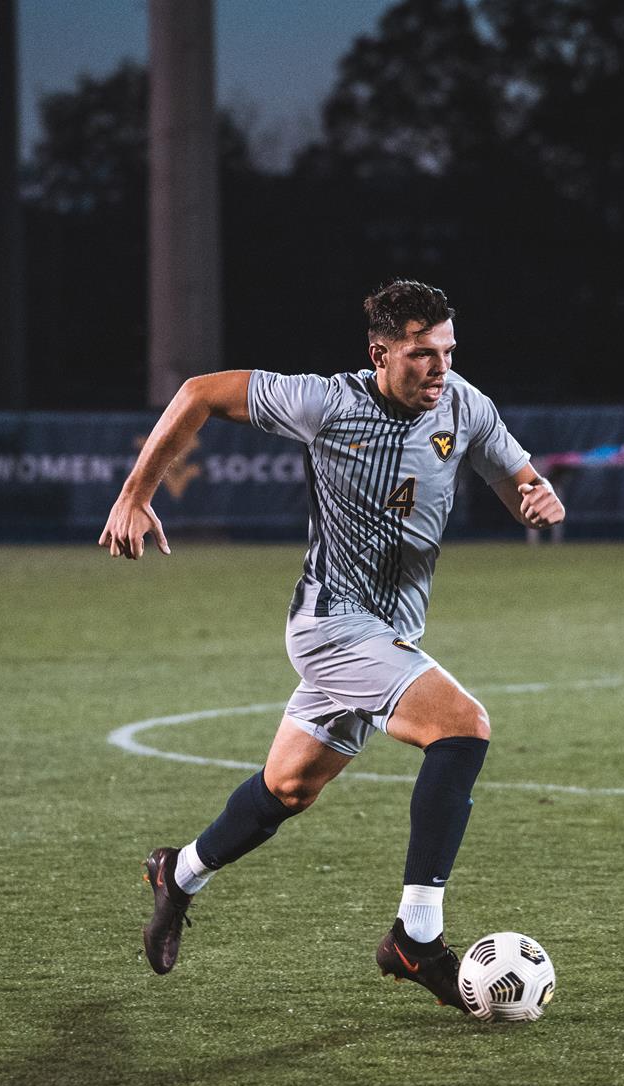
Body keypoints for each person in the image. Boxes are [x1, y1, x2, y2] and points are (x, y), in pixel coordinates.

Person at [99, 279, 565, 1012]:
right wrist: (135, 493)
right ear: (378, 353)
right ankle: (416, 936)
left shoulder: (464, 404)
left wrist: (538, 498)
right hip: (331, 626)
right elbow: (197, 392)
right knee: (462, 726)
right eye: (420, 355)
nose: (438, 369)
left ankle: (177, 873)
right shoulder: (326, 402)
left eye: (447, 352)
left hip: (388, 633)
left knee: (289, 787)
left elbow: (518, 478)